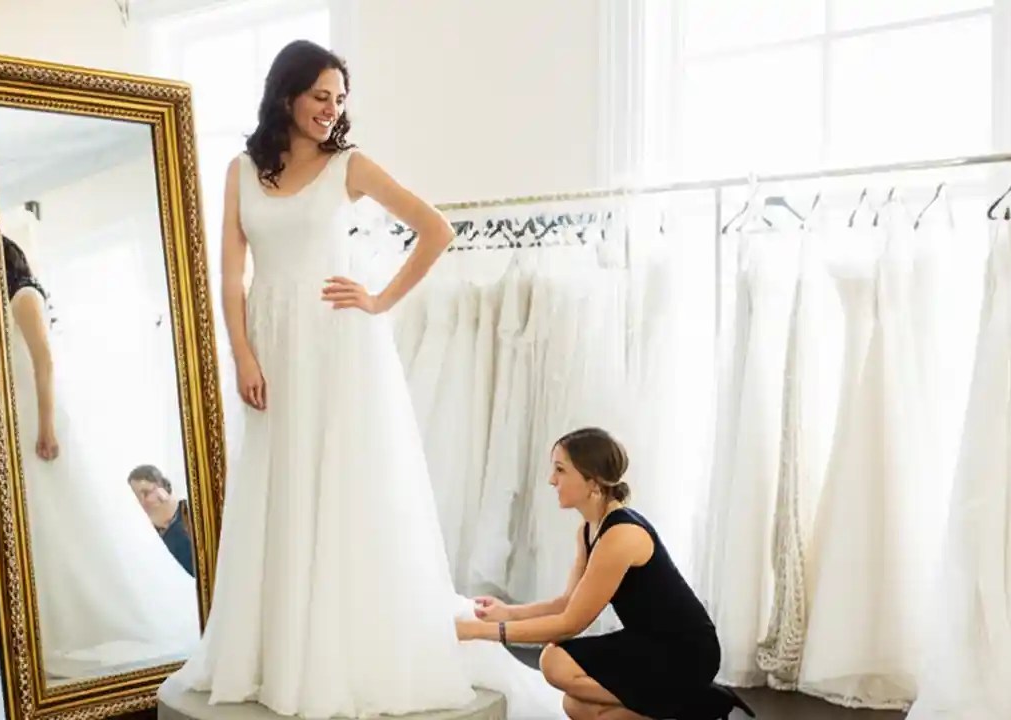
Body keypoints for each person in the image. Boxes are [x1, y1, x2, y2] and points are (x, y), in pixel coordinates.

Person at [169, 39, 561, 719]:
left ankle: (332, 654)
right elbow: (229, 277)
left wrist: (379, 299)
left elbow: (434, 230)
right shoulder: (240, 170)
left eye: (340, 98)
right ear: (286, 94)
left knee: (341, 492)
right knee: (278, 489)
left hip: (337, 346)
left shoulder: (348, 166)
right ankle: (270, 652)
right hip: (272, 345)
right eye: (321, 96)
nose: (331, 109)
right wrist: (242, 355)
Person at [455, 428, 756, 720]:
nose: (551, 480)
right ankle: (687, 706)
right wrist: (508, 612)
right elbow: (567, 602)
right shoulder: (588, 530)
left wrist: (483, 632)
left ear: (593, 481)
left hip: (685, 652)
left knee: (554, 662)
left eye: (560, 470)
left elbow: (570, 624)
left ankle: (690, 695)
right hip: (645, 643)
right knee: (576, 707)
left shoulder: (622, 534)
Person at [4, 236, 200, 677]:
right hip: (26, 422)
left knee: (69, 516)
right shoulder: (10, 301)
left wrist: (47, 426)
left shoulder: (23, 296)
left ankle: (96, 615)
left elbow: (44, 363)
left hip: (44, 422)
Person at [128, 464, 194, 576]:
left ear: (162, 489)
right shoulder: (149, 538)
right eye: (137, 498)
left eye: (145, 493)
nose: (142, 502)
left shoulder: (192, 515)